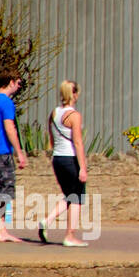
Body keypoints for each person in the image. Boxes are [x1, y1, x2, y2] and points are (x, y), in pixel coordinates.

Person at [39, 80, 89, 247]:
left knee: (69, 194)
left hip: (58, 159)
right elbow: (78, 143)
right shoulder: (74, 115)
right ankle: (70, 236)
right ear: (74, 94)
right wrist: (82, 167)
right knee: (76, 198)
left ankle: (47, 220)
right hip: (70, 159)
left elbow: (51, 140)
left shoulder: (54, 114)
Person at [0, 72, 27, 243]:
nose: (19, 87)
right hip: (2, 153)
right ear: (10, 82)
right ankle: (1, 230)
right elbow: (10, 128)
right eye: (18, 83)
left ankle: (1, 229)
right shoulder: (6, 102)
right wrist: (20, 152)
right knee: (5, 192)